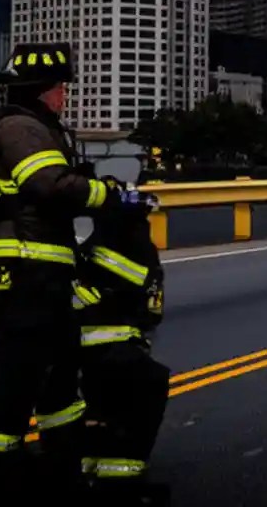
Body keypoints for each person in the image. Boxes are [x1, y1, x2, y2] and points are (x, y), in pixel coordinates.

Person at [0, 43, 121, 506]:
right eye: (60, 88)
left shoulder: (36, 127)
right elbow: (48, 186)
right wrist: (107, 194)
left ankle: (62, 465)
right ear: (42, 90)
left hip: (45, 272)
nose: (64, 96)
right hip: (26, 272)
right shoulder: (20, 128)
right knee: (15, 379)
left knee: (57, 375)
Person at [73, 189, 172, 505]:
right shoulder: (141, 253)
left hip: (77, 349)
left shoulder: (85, 251)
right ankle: (121, 483)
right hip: (120, 347)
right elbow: (153, 311)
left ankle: (88, 470)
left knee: (96, 410)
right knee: (137, 404)